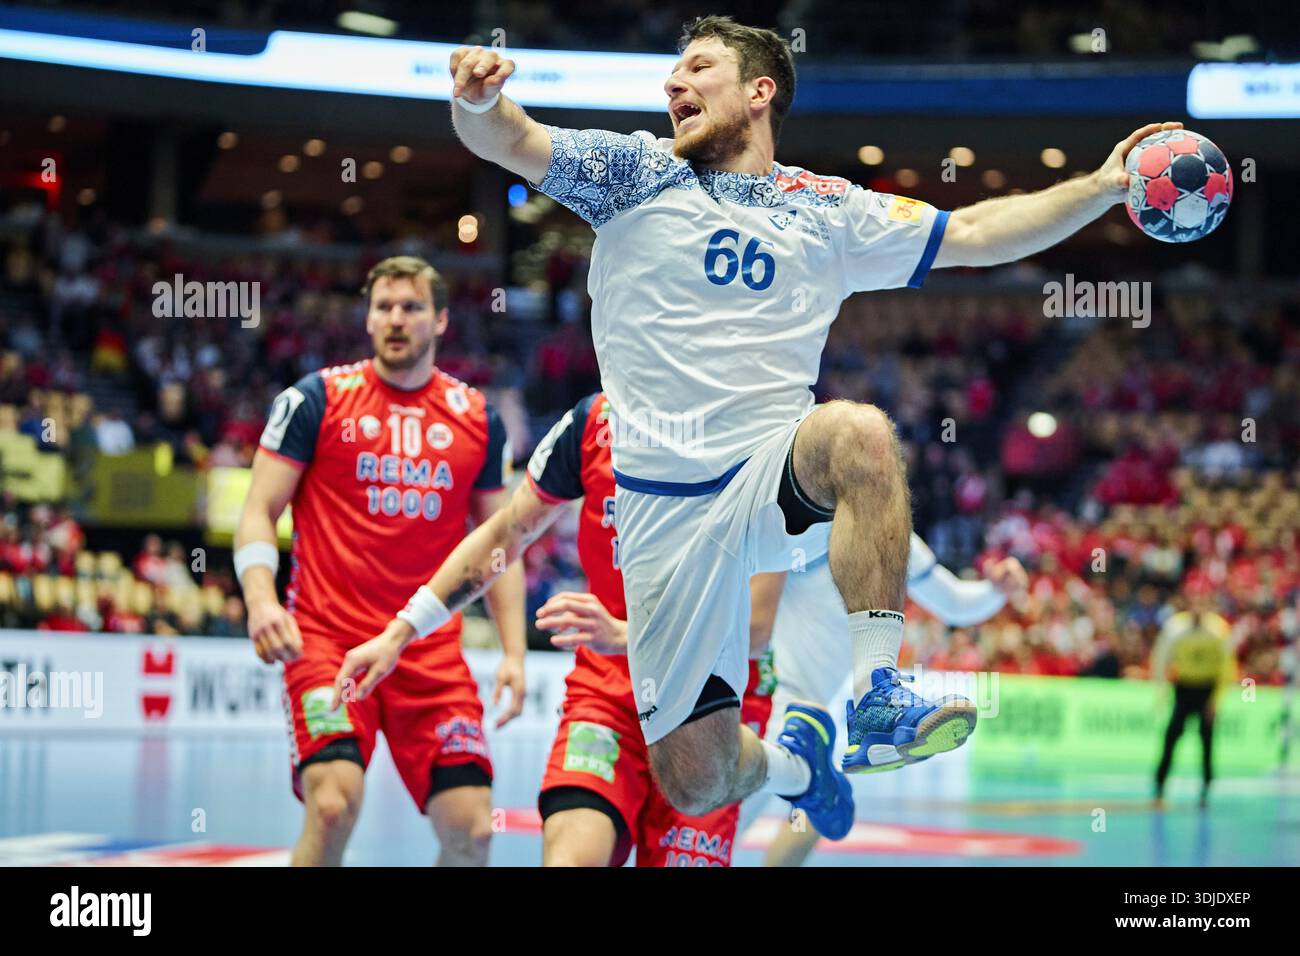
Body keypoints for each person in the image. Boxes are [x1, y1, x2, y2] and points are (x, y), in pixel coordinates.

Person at [445, 14, 1183, 839]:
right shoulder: (633, 171)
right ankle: (802, 763)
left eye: (696, 68)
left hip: (771, 475)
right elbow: (512, 139)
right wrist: (477, 103)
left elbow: (973, 232)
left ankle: (877, 693)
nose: (670, 85)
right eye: (673, 71)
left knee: (858, 435)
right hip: (662, 512)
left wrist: (1103, 186)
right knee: (699, 780)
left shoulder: (826, 209)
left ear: (759, 91)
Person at [335, 392, 773, 866]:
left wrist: (627, 636)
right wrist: (401, 632)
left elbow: (756, 628)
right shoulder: (593, 422)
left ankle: (798, 772)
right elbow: (507, 534)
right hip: (608, 692)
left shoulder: (753, 432)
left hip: (713, 700)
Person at [234, 256, 525, 866]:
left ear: (441, 319)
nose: (397, 319)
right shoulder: (315, 400)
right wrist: (261, 601)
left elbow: (503, 543)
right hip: (326, 641)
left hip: (430, 654)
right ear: (367, 319)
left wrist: (515, 653)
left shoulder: (477, 418)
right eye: (384, 307)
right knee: (334, 805)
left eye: (413, 307)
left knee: (472, 833)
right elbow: (259, 510)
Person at [738, 541, 1027, 865]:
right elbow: (753, 625)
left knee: (788, 820)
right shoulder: (802, 509)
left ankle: (812, 779)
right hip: (764, 698)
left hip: (807, 717)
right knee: (716, 825)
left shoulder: (893, 534)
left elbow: (955, 603)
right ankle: (812, 779)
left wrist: (997, 590)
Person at [1151, 591, 1234, 808]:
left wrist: (1216, 699)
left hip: (1206, 690)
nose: (1198, 607)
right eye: (1194, 602)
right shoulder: (1176, 628)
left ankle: (1206, 789)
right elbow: (1162, 657)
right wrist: (1161, 689)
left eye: (1202, 603)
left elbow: (1226, 668)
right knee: (1171, 737)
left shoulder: (1218, 630)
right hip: (1184, 688)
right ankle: (1160, 786)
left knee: (1207, 741)